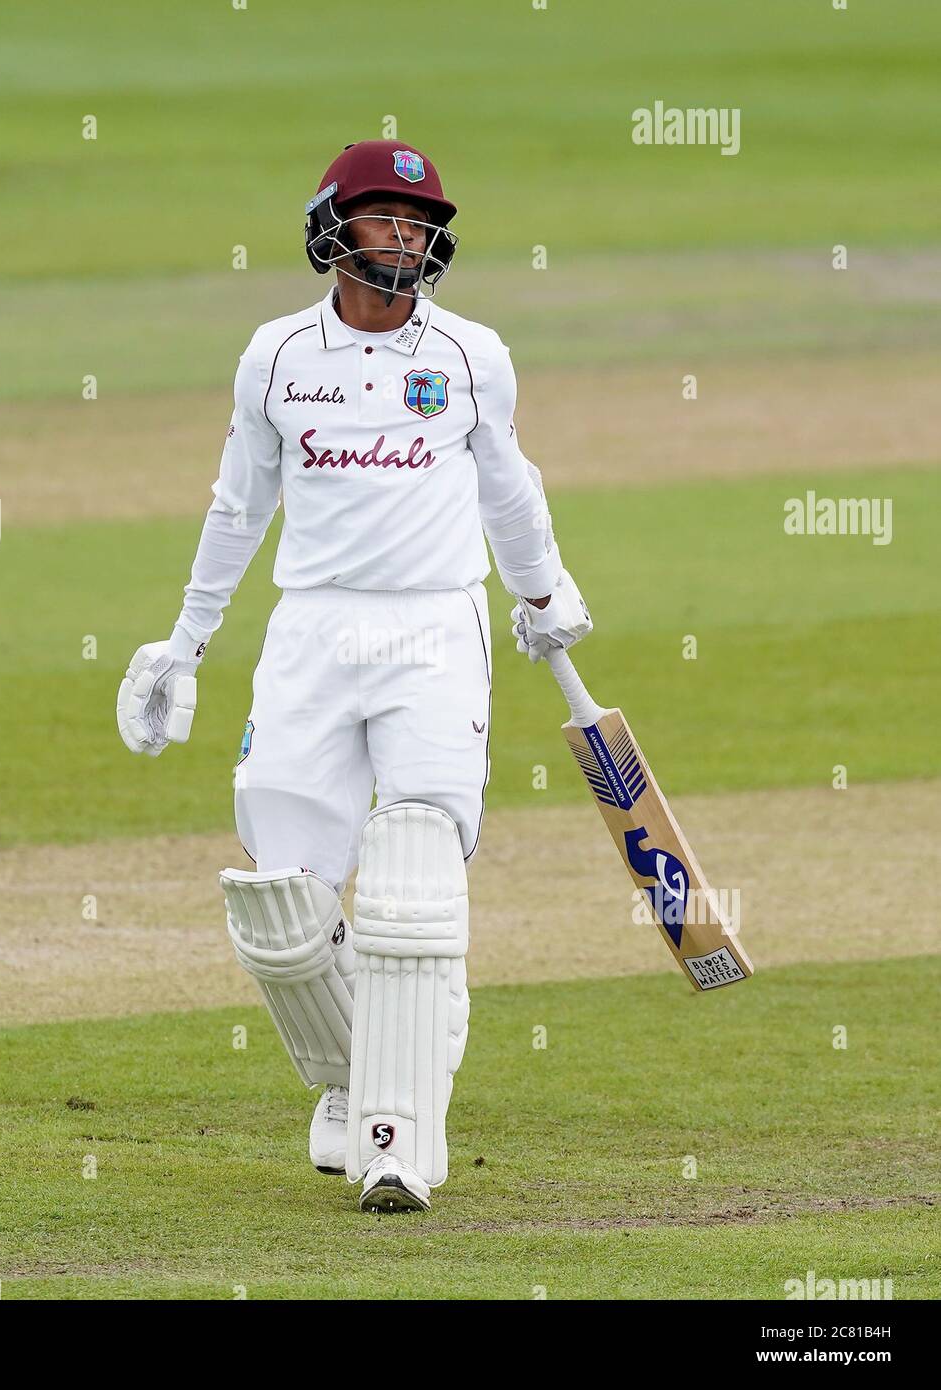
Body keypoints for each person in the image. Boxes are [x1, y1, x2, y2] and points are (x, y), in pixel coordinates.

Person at [116, 140, 592, 1213]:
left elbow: (508, 491)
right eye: (385, 219)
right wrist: (184, 641)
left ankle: (398, 1135)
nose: (406, 238)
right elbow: (237, 504)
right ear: (334, 228)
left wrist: (542, 591)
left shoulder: (470, 355)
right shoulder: (277, 356)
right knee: (281, 901)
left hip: (433, 627)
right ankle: (350, 1078)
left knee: (414, 874)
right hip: (312, 633)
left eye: (419, 224)